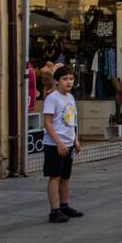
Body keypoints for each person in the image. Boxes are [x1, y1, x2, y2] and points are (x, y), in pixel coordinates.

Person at [41, 65, 82, 223]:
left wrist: (75, 139)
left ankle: (64, 206)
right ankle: (54, 210)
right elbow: (48, 123)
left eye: (71, 79)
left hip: (68, 143)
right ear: (56, 81)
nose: (69, 82)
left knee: (65, 176)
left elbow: (71, 121)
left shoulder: (70, 98)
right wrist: (58, 143)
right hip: (54, 144)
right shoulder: (52, 98)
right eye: (65, 79)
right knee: (55, 176)